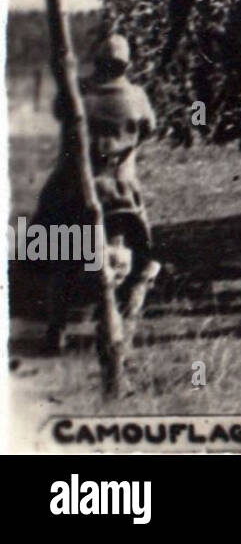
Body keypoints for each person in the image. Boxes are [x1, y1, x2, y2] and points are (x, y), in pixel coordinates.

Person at [34, 35, 158, 353]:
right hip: (119, 189)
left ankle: (56, 330)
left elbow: (62, 114)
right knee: (138, 260)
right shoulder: (137, 97)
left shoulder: (76, 94)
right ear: (126, 65)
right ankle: (117, 329)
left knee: (60, 259)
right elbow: (147, 130)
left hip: (72, 187)